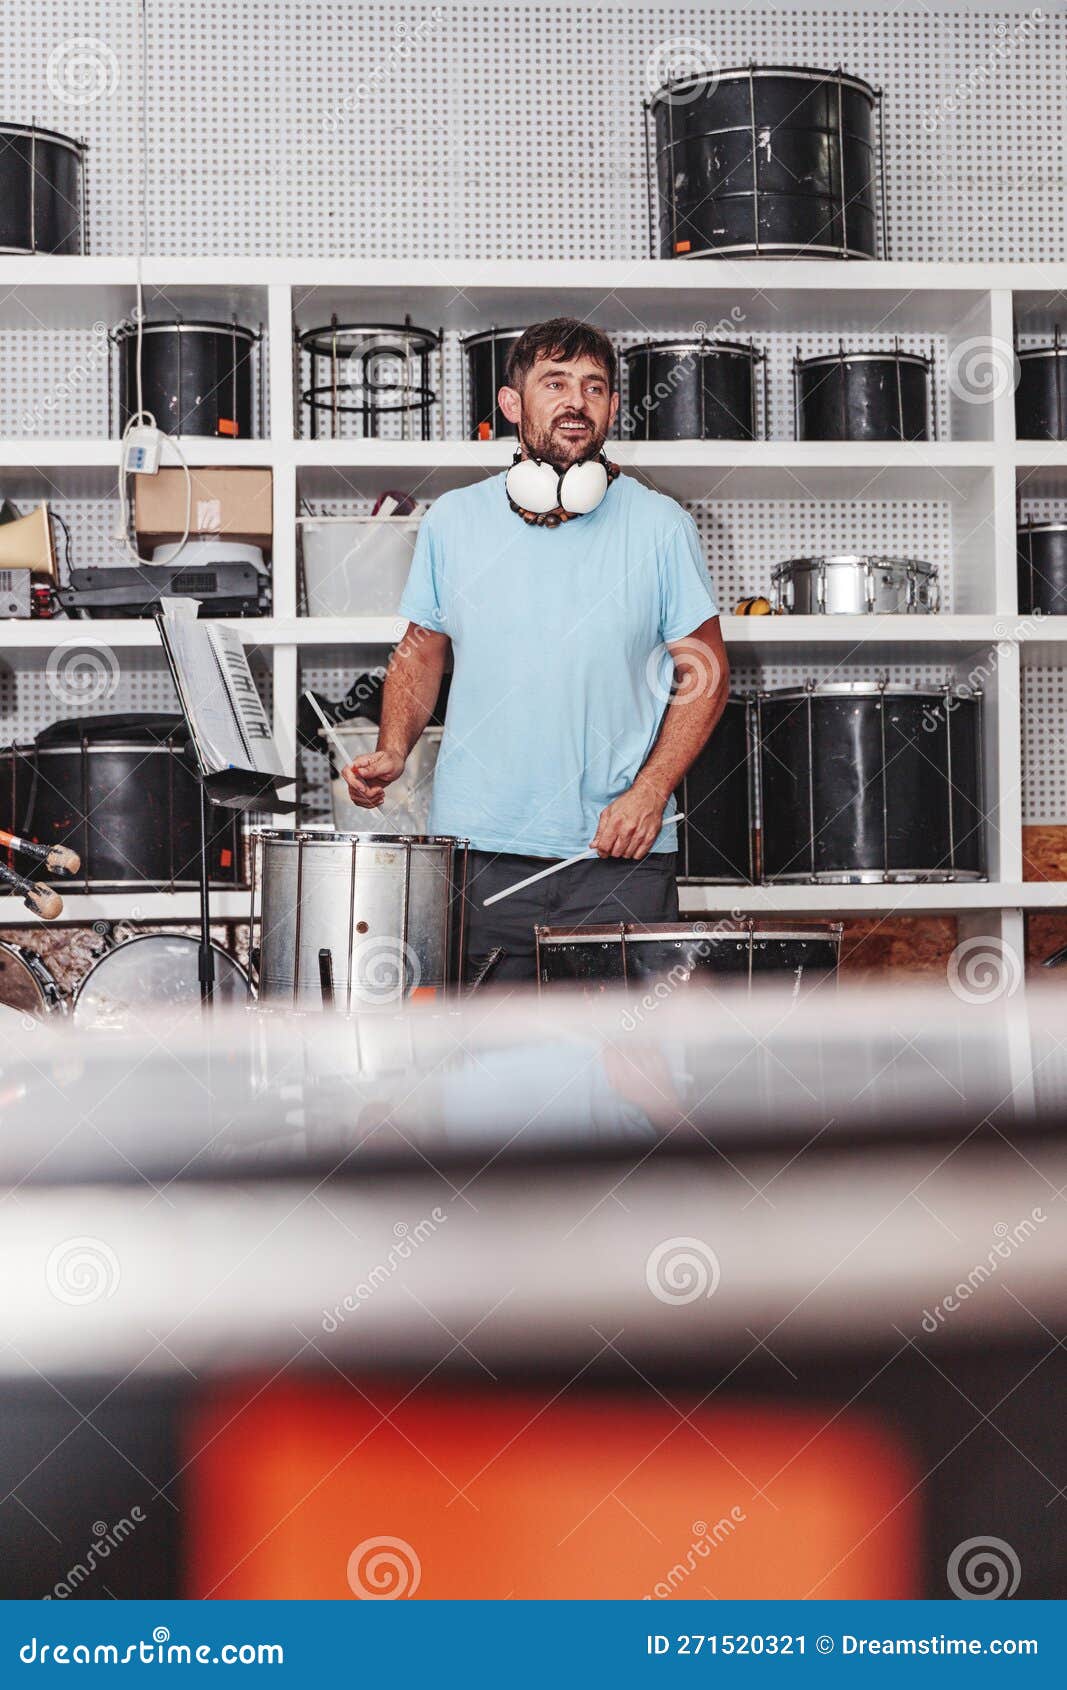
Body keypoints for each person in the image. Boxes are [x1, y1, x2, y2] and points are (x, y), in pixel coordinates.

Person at [341, 316, 728, 983]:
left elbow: (706, 670)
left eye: (595, 386)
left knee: (622, 1076)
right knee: (487, 1073)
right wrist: (393, 747)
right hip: (478, 855)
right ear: (512, 404)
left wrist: (652, 790)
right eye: (555, 383)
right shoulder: (453, 521)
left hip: (621, 856)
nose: (577, 401)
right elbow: (418, 651)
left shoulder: (661, 525)